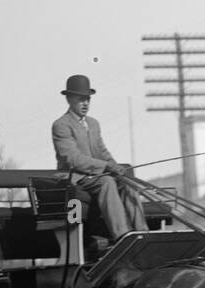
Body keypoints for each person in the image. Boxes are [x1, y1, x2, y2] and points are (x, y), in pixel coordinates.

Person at [51, 74, 149, 242]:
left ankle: (143, 233)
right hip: (76, 177)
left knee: (127, 181)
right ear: (69, 99)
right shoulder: (61, 125)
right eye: (81, 99)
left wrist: (116, 167)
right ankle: (122, 235)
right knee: (107, 182)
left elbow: (102, 151)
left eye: (88, 99)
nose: (86, 103)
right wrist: (106, 167)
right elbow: (73, 159)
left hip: (96, 175)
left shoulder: (93, 123)